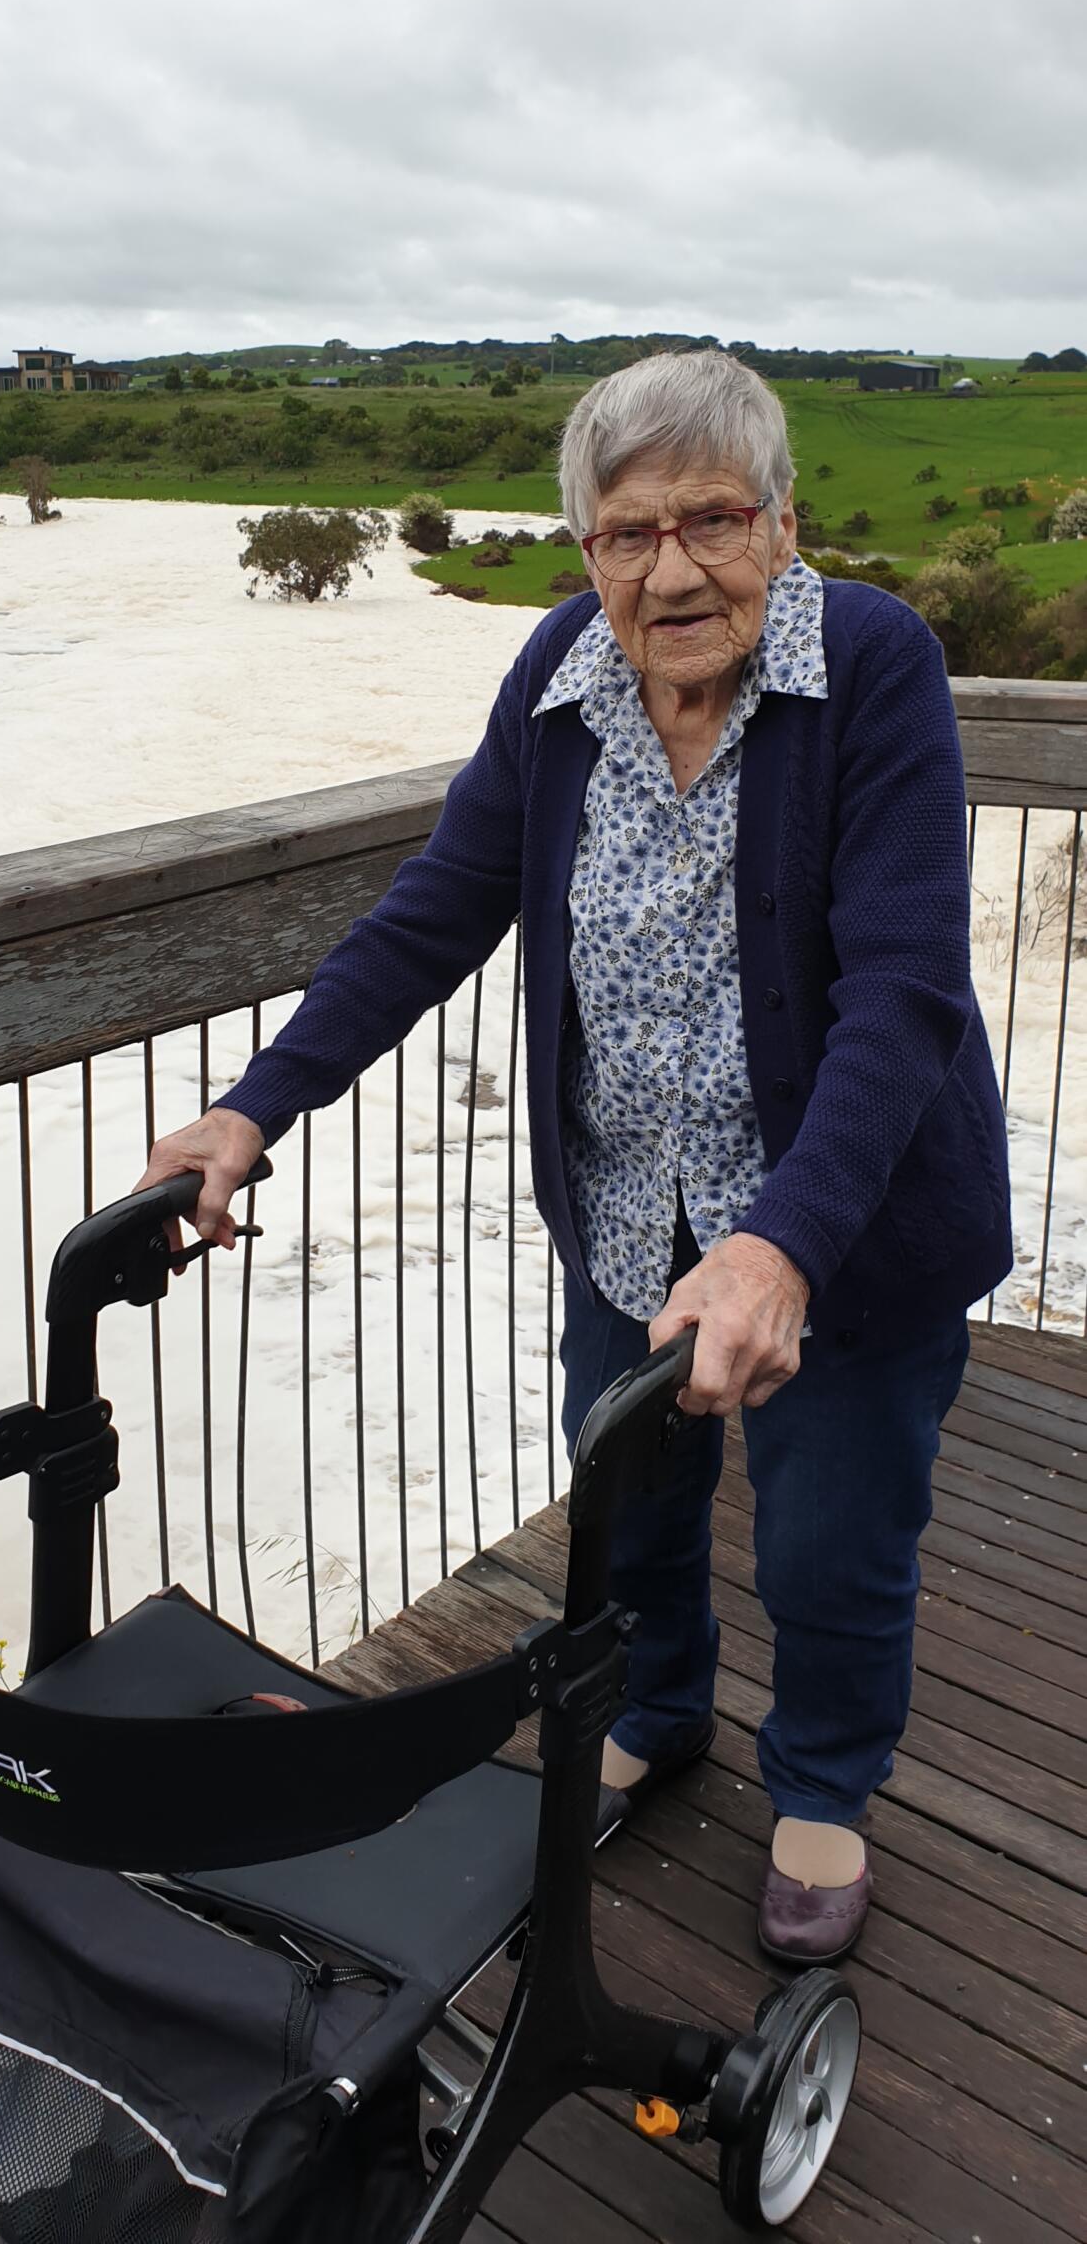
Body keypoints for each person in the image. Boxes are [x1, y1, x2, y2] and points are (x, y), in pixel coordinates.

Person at [137, 350, 1011, 1962]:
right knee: (631, 1506)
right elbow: (435, 912)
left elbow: (905, 989)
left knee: (834, 1541)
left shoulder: (872, 664)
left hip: (849, 1228)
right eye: (627, 534)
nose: (672, 572)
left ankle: (822, 1786)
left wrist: (779, 1246)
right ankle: (659, 1710)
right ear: (587, 551)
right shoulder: (560, 674)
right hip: (624, 1208)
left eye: (713, 520)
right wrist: (253, 1107)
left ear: (784, 524)